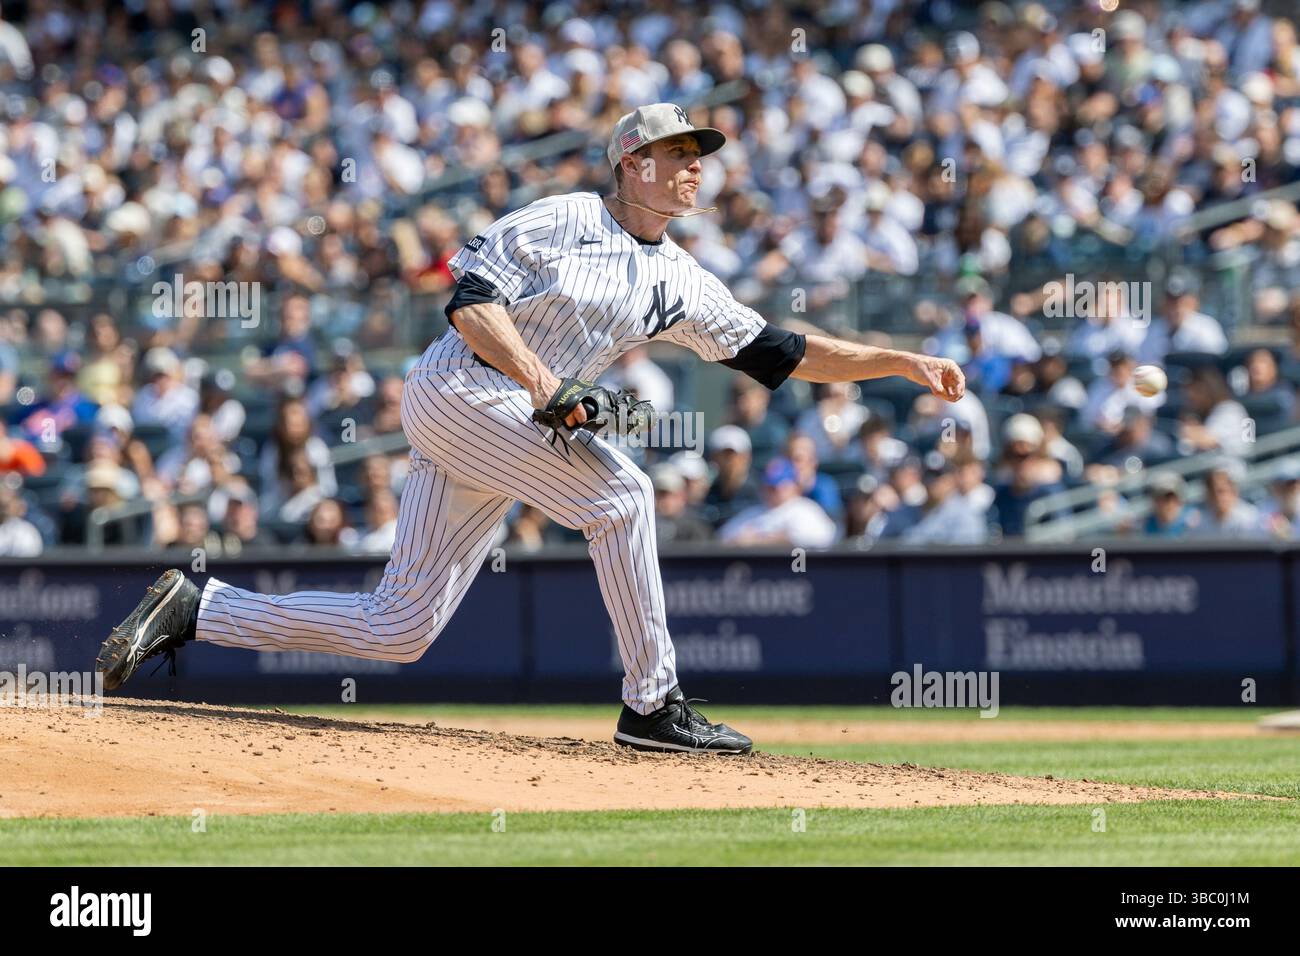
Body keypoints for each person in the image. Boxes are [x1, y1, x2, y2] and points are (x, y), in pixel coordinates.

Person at [96, 104, 964, 755]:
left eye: (700, 156)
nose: (696, 167)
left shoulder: (683, 278)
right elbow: (471, 306)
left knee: (402, 628)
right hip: (458, 392)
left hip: (508, 421)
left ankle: (198, 608)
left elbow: (779, 350)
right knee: (622, 495)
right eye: (678, 153)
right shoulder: (559, 221)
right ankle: (653, 705)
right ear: (631, 162)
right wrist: (548, 383)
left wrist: (894, 359)